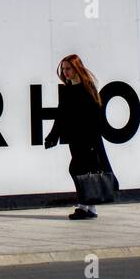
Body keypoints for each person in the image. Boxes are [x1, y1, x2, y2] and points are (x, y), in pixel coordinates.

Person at [44, 53, 118, 219]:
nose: (65, 72)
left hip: (88, 138)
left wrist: (93, 140)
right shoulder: (67, 91)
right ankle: (90, 207)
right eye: (63, 69)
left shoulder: (87, 88)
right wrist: (52, 136)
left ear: (77, 68)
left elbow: (95, 116)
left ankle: (84, 205)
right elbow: (61, 116)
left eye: (68, 68)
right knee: (82, 171)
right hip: (75, 138)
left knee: (77, 169)